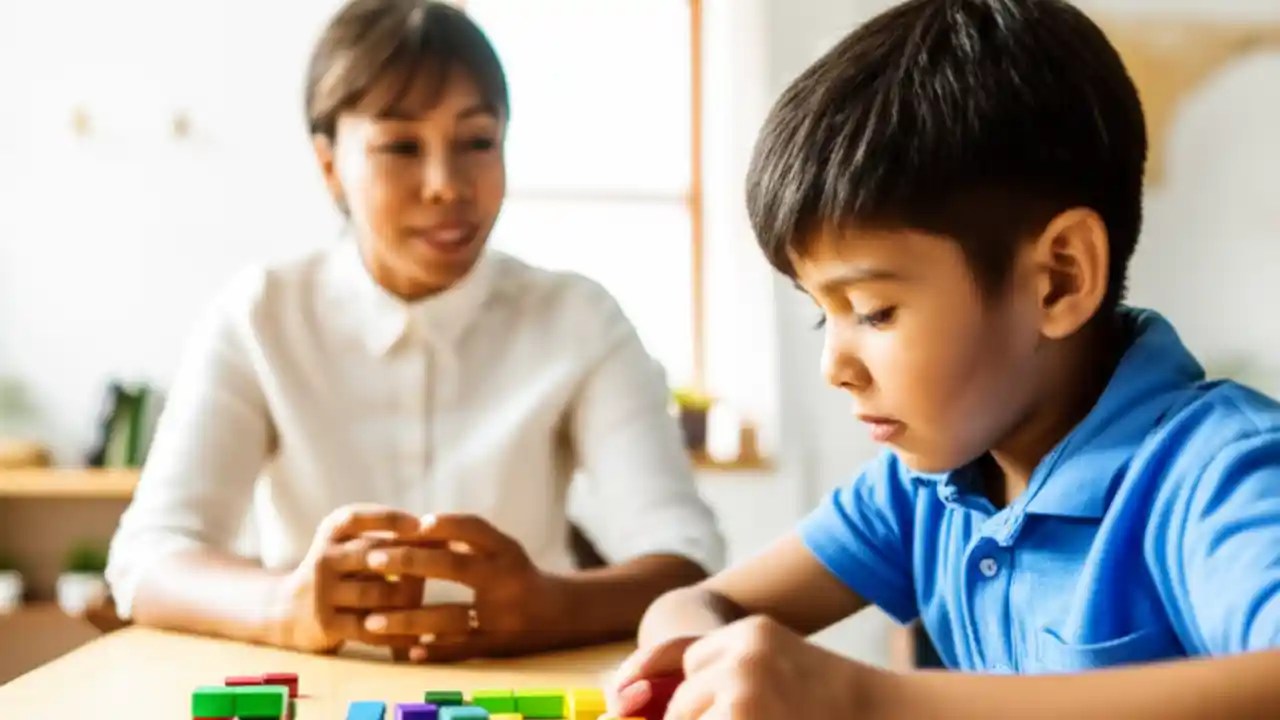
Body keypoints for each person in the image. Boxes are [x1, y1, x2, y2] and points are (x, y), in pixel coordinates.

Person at [609, 0, 1280, 717]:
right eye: (821, 314)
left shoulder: (1216, 473)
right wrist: (700, 660)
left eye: (872, 311)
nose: (836, 365)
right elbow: (698, 601)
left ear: (1059, 279)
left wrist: (875, 701)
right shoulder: (922, 490)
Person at [106, 0, 723, 663]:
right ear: (328, 164)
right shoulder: (260, 315)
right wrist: (282, 606)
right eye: (401, 145)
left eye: (478, 141)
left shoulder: (578, 318)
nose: (446, 185)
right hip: (317, 689)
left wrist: (554, 607)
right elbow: (147, 557)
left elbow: (688, 558)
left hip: (523, 685)